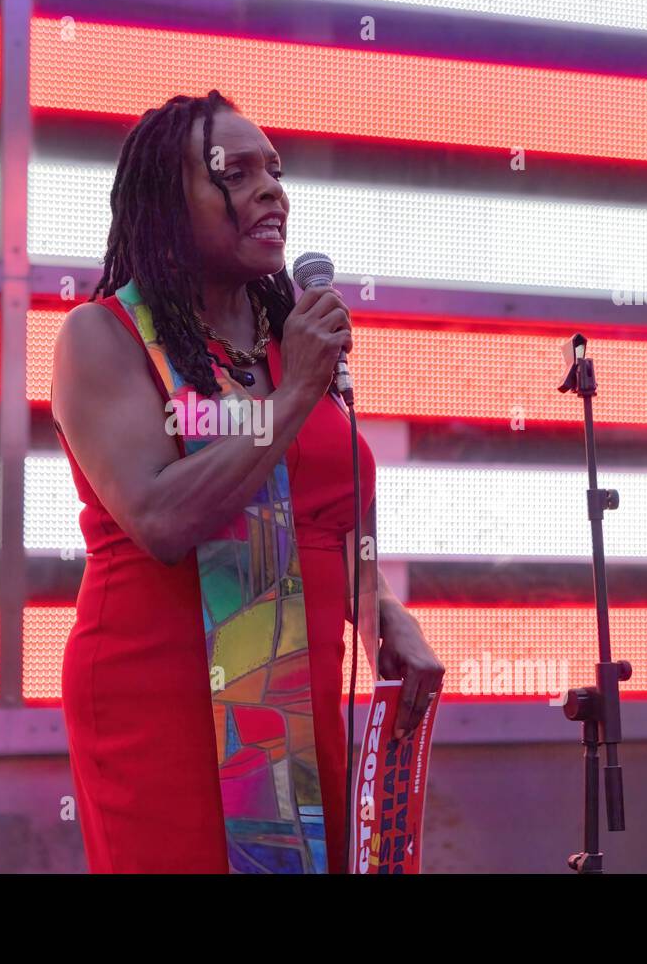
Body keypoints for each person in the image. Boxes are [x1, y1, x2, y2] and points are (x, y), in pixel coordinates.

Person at [51, 89, 444, 873]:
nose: (273, 189)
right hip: (166, 697)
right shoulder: (104, 335)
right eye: (236, 171)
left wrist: (378, 609)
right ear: (166, 201)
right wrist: (293, 391)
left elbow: (328, 506)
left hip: (298, 690)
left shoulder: (287, 335)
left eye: (277, 170)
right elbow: (161, 515)